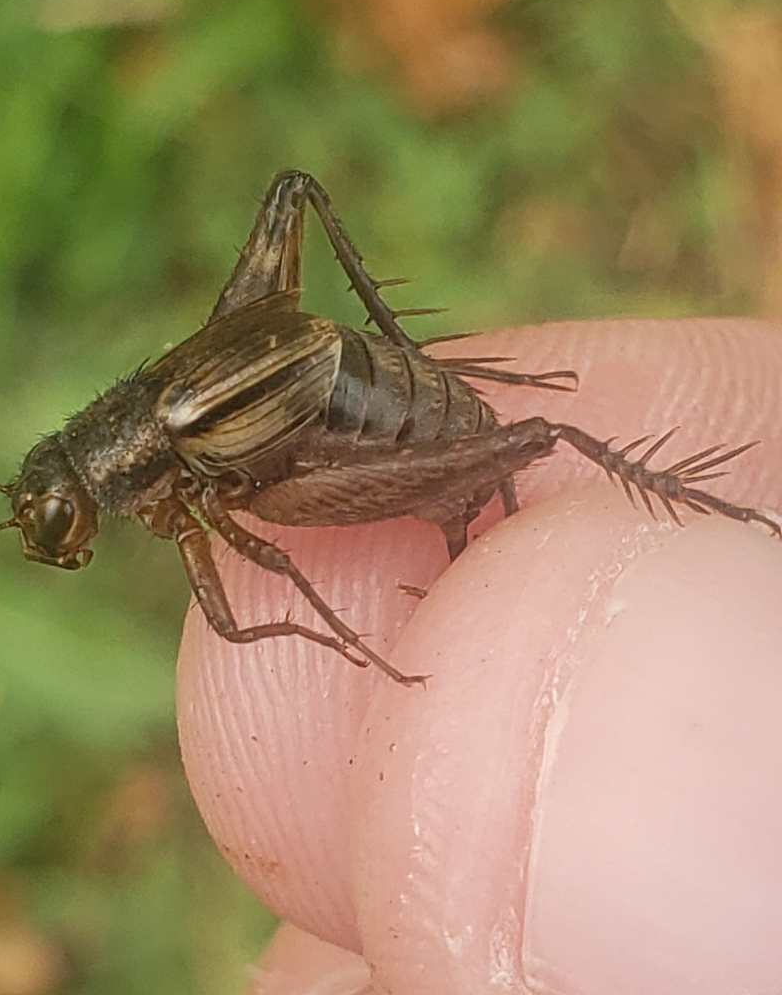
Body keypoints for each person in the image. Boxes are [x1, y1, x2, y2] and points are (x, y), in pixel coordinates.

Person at [176, 318, 782, 995]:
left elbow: (279, 561)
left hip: (395, 420)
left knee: (545, 437)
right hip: (368, 412)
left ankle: (701, 501)